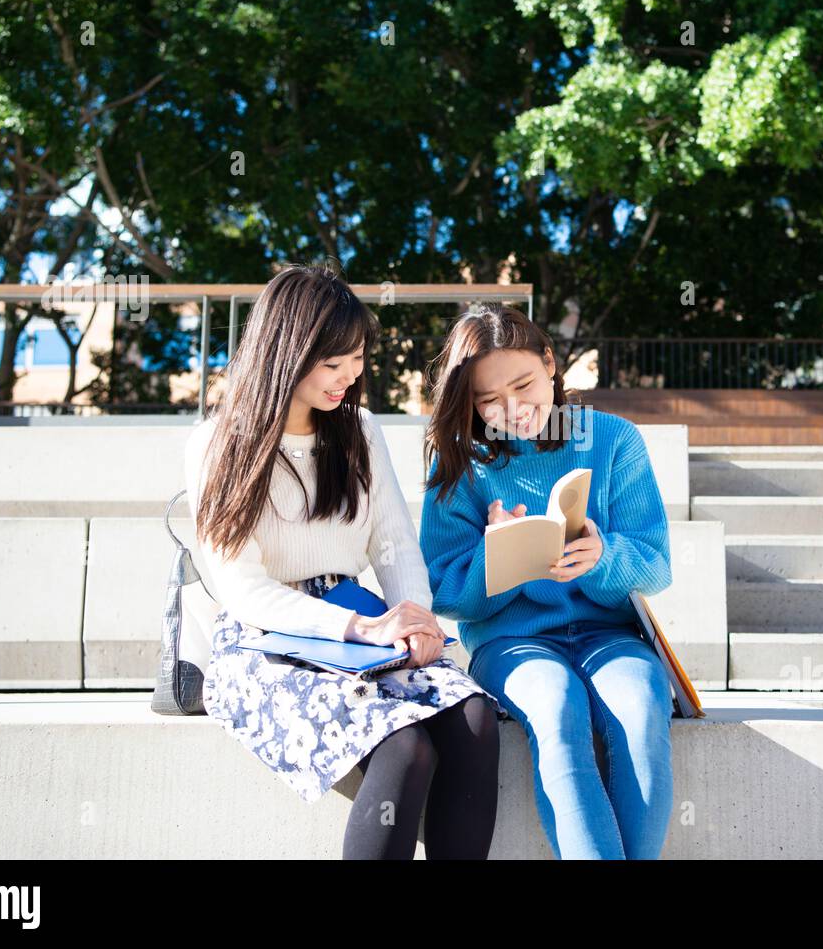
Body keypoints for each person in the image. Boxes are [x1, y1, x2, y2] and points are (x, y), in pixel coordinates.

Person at [186, 263, 502, 859]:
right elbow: (242, 586)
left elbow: (393, 545)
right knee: (406, 747)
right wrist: (358, 627)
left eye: (357, 359)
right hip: (265, 640)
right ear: (286, 353)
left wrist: (415, 618)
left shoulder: (359, 429)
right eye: (333, 363)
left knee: (476, 721)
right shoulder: (216, 443)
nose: (349, 376)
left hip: (365, 622)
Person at [417, 302, 676, 859]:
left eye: (524, 384)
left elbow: (656, 565)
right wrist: (496, 557)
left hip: (610, 635)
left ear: (551, 363)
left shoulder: (611, 439)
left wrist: (603, 555)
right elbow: (443, 591)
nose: (513, 409)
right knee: (557, 709)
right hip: (511, 642)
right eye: (488, 399)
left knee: (641, 708)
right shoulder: (460, 462)